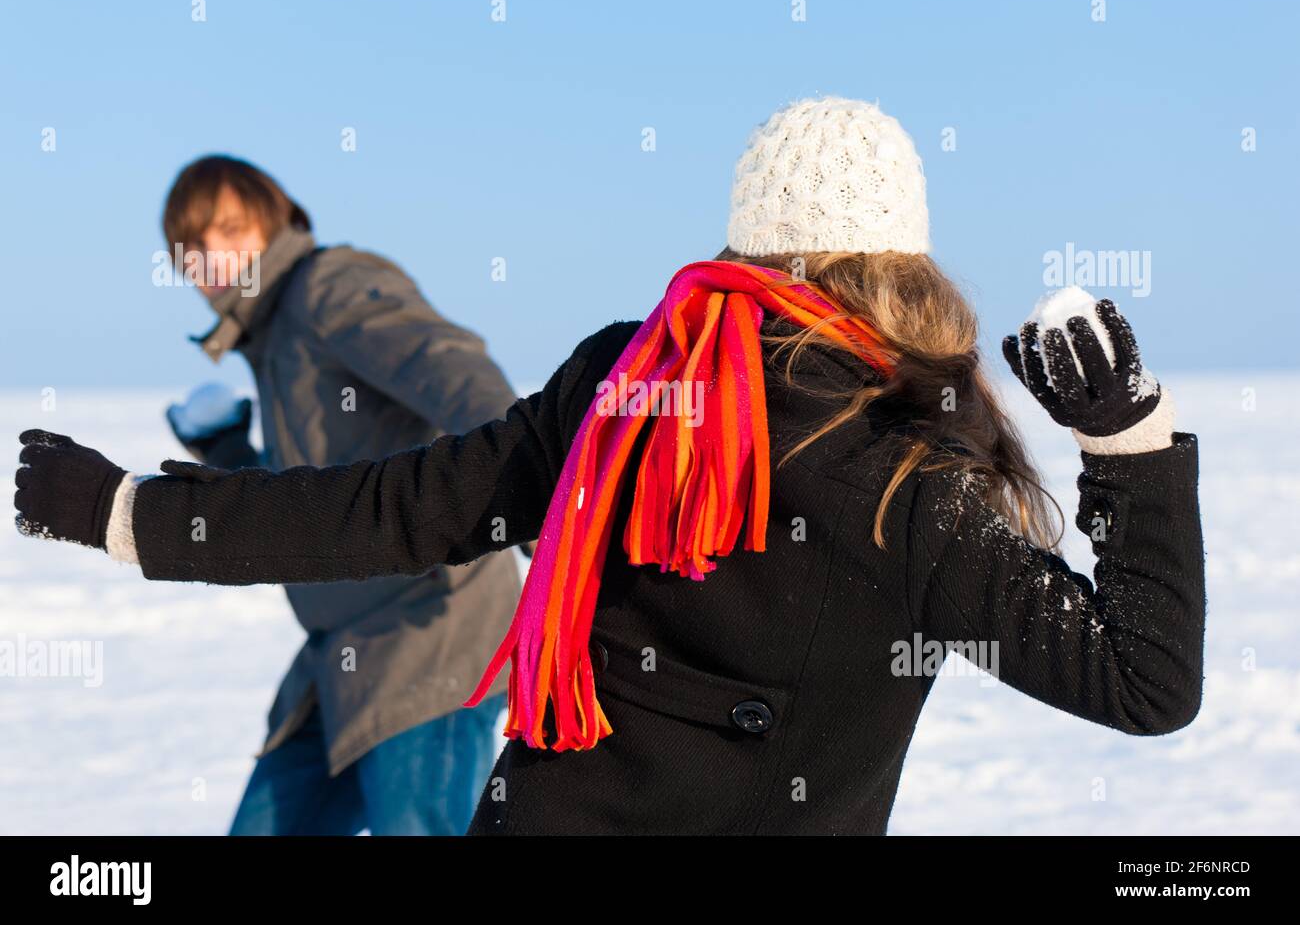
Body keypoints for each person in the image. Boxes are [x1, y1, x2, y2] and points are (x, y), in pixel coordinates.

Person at [15, 99, 1205, 834]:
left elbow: (396, 506)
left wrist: (134, 512)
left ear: (745, 234)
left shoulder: (626, 385)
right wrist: (1127, 447)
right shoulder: (909, 480)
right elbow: (1142, 678)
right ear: (904, 261)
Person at [88, 156, 524, 835]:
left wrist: (534, 480)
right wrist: (231, 454)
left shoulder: (330, 283)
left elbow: (449, 367)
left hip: (430, 630)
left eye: (228, 229)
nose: (211, 257)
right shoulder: (270, 342)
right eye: (190, 248)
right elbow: (306, 515)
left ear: (276, 220)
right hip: (335, 661)